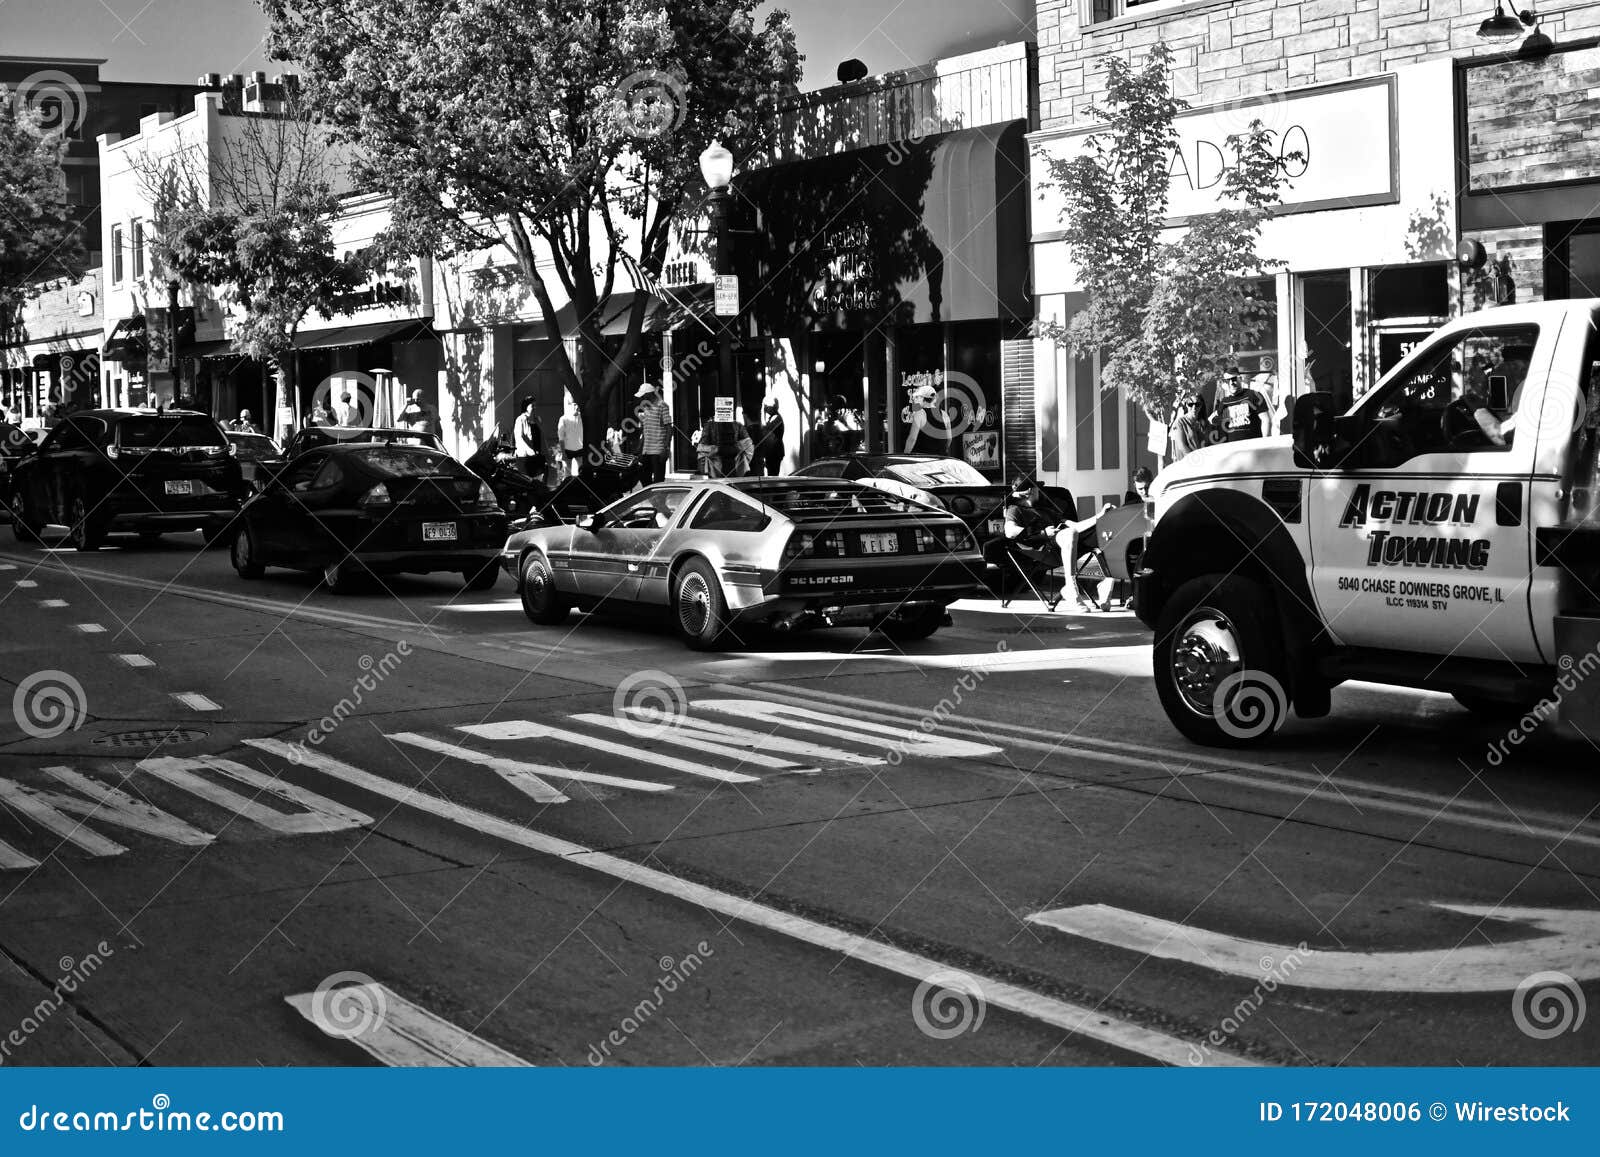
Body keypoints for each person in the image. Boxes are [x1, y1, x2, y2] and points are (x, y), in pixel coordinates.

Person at [1213, 370, 1271, 443]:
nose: (1231, 383)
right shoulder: (1224, 402)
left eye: (1234, 379)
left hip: (1253, 446)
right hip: (1234, 448)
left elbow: (1265, 419)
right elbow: (1218, 424)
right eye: (1228, 380)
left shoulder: (1254, 395)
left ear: (1240, 379)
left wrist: (1264, 442)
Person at [634, 383, 671, 484]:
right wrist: (639, 449)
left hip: (658, 450)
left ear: (649, 394)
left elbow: (669, 428)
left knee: (658, 480)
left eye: (643, 396)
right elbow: (645, 430)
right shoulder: (646, 408)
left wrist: (666, 448)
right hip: (646, 450)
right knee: (643, 475)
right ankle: (652, 498)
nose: (642, 398)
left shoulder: (662, 406)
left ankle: (659, 499)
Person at [1170, 392, 1211, 461]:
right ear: (1186, 405)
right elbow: (1182, 446)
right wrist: (1195, 459)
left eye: (1197, 404)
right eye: (1191, 404)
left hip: (1203, 462)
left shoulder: (1205, 423)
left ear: (1201, 406)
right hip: (1188, 462)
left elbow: (1208, 444)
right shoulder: (1180, 422)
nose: (1194, 407)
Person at [513, 397, 546, 481]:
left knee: (539, 483)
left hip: (537, 457)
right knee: (527, 483)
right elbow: (519, 437)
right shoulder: (520, 419)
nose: (534, 408)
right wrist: (530, 451)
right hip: (525, 458)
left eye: (535, 405)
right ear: (526, 407)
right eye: (532, 405)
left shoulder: (536, 420)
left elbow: (541, 437)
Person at [753, 398, 785, 477]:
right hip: (770, 451)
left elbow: (766, 429)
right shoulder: (771, 418)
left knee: (773, 474)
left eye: (768, 407)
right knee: (770, 473)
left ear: (773, 407)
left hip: (775, 451)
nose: (766, 409)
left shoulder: (777, 418)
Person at [557, 398, 584, 480]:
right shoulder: (563, 419)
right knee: (567, 475)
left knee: (581, 474)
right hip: (567, 450)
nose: (576, 406)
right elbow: (561, 438)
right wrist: (563, 453)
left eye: (577, 404)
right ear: (570, 406)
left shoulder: (582, 417)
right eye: (574, 404)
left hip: (580, 450)